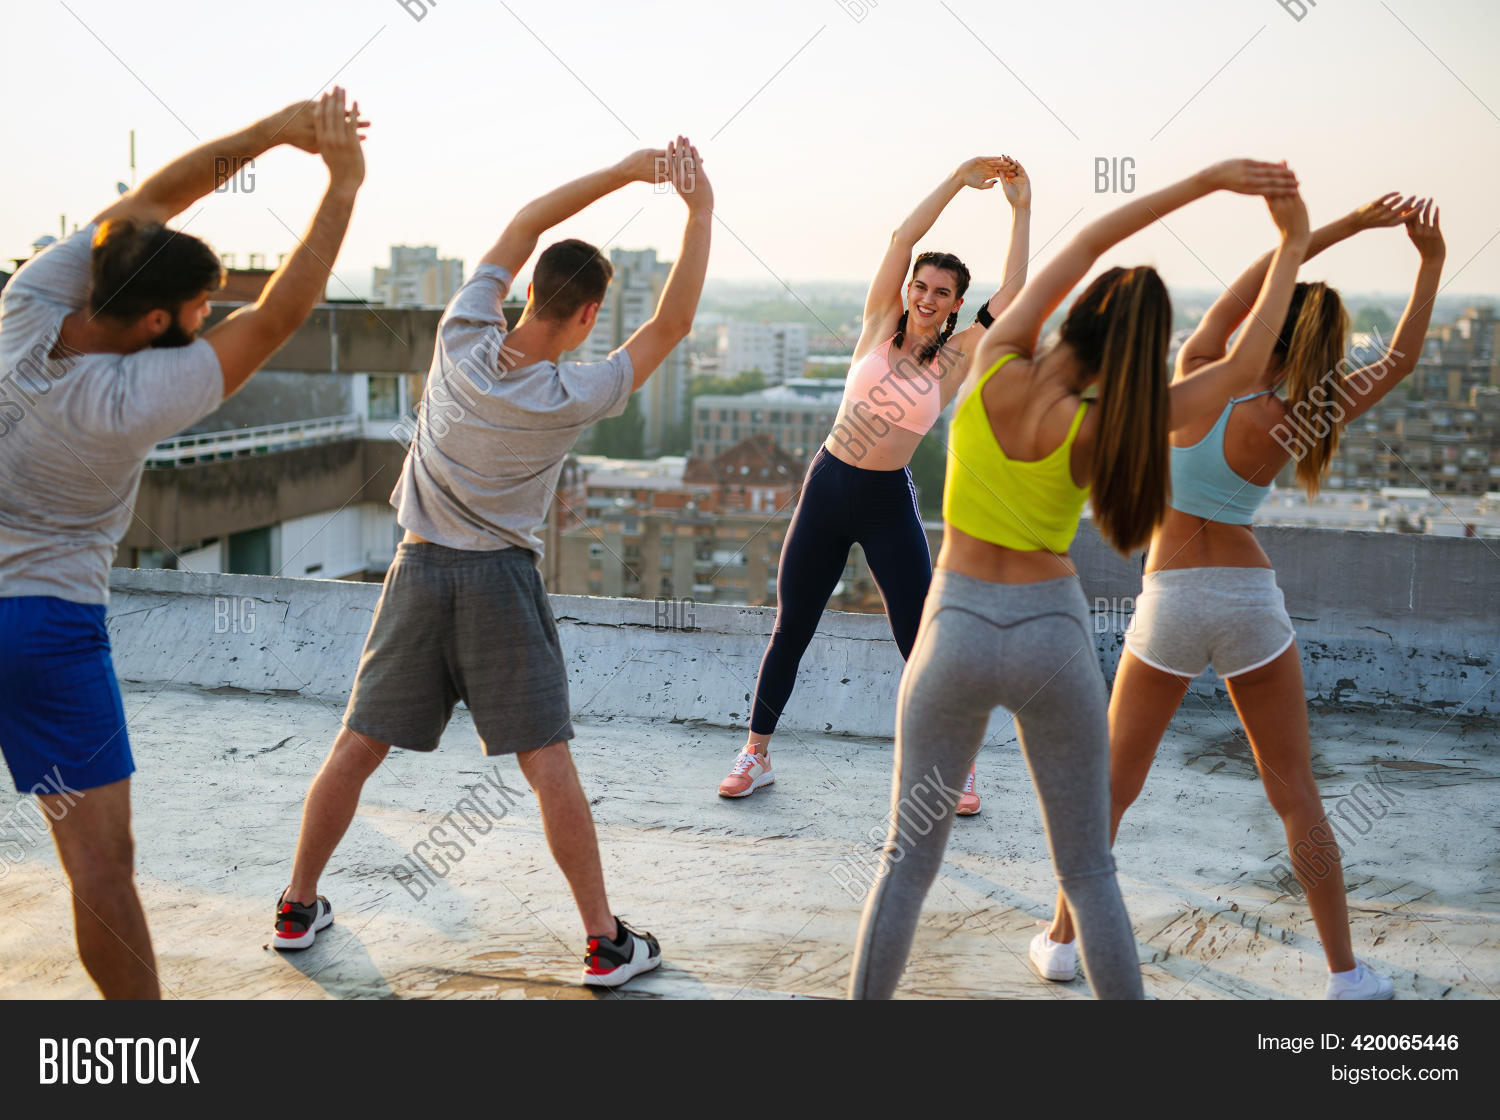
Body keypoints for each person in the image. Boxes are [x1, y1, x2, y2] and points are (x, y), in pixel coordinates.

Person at [848, 159, 1308, 999]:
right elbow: (1243, 370)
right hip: (1050, 635)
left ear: (1083, 316)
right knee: (1090, 873)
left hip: (954, 624)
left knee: (906, 864)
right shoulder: (1114, 423)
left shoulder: (994, 357)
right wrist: (1293, 244)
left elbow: (1098, 235)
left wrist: (1204, 183)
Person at [273, 139, 711, 989]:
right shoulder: (568, 396)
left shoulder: (460, 334)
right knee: (547, 764)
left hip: (417, 571)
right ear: (587, 318)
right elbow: (675, 326)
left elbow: (525, 221)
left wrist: (626, 170)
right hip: (499, 585)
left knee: (356, 748)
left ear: (529, 294)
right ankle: (604, 943)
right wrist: (699, 207)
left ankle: (296, 905)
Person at [0, 90, 369, 999]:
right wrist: (342, 180)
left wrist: (273, 134)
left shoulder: (31, 302)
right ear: (160, 323)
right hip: (43, 634)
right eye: (205, 306)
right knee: (100, 867)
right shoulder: (130, 400)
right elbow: (279, 318)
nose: (214, 316)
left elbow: (155, 201)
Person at [1039, 194, 1445, 1000]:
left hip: (1171, 597)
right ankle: (1344, 974)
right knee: (1296, 796)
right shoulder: (1305, 414)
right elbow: (1398, 359)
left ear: (1271, 319)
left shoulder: (1199, 374)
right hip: (1251, 599)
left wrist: (1341, 228)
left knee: (1112, 786)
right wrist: (1428, 261)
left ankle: (1059, 943)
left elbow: (1261, 272)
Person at [719, 156, 1033, 812]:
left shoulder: (956, 356)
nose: (926, 298)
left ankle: (958, 764)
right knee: (793, 626)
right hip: (829, 488)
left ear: (953, 305)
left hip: (888, 500)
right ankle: (756, 753)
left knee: (917, 638)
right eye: (922, 286)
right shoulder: (874, 327)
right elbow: (901, 238)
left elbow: (1014, 291)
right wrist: (956, 180)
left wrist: (1020, 209)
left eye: (942, 293)